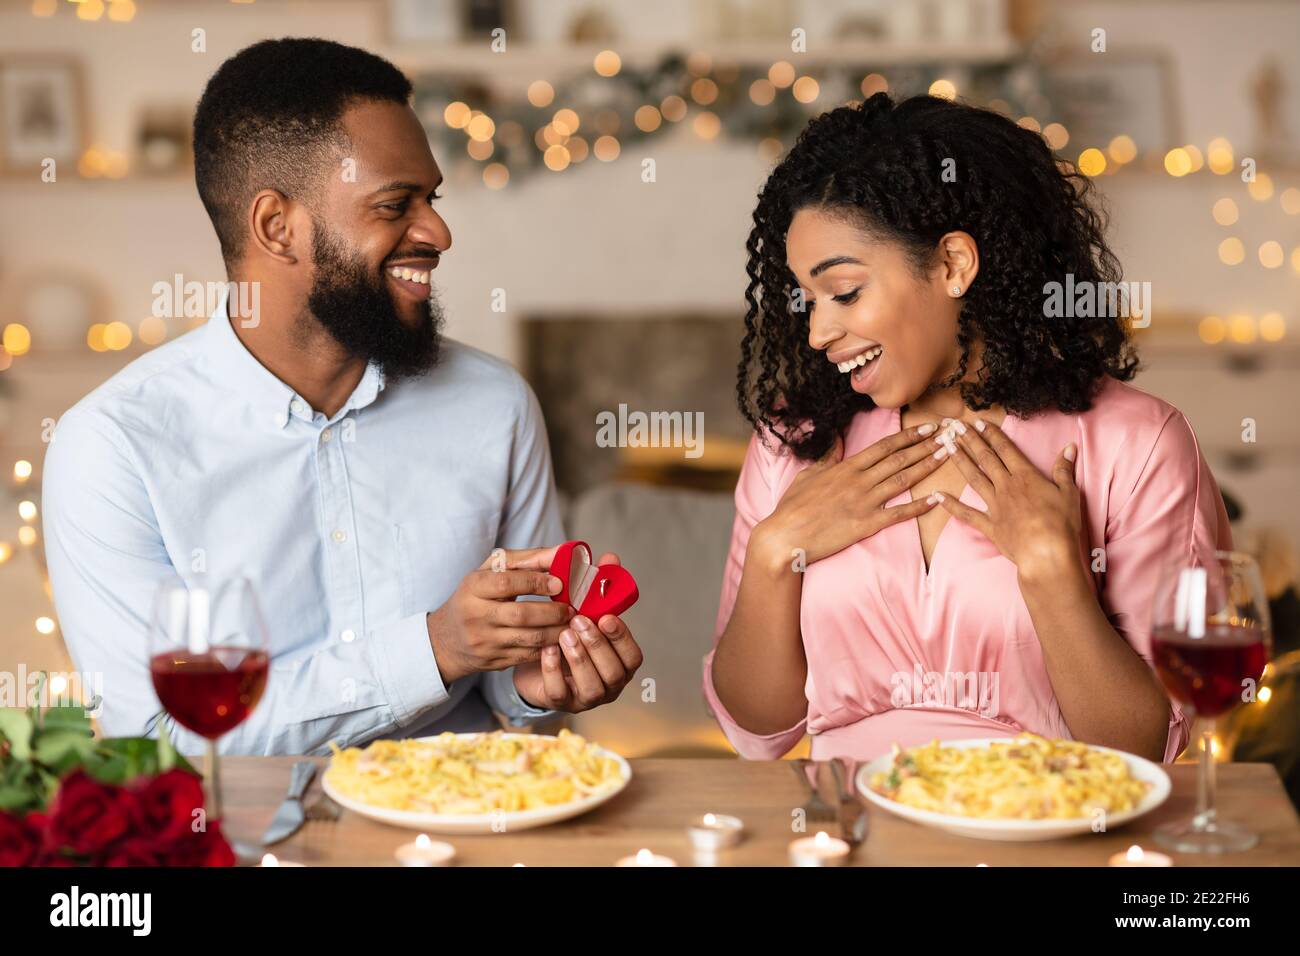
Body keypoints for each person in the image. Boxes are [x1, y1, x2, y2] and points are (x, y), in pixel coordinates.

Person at [42, 38, 642, 755]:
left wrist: (540, 686)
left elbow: (514, 693)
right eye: (396, 205)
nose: (438, 232)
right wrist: (432, 649)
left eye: (433, 200)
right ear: (276, 227)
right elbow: (164, 742)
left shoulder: (496, 406)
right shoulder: (113, 448)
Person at [704, 92, 1230, 766]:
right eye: (807, 300)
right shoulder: (794, 444)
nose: (818, 332)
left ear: (953, 263)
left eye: (845, 293)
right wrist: (777, 550)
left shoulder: (1136, 443)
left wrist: (1049, 568)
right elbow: (756, 730)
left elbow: (1144, 749)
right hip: (843, 834)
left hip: (1044, 832)